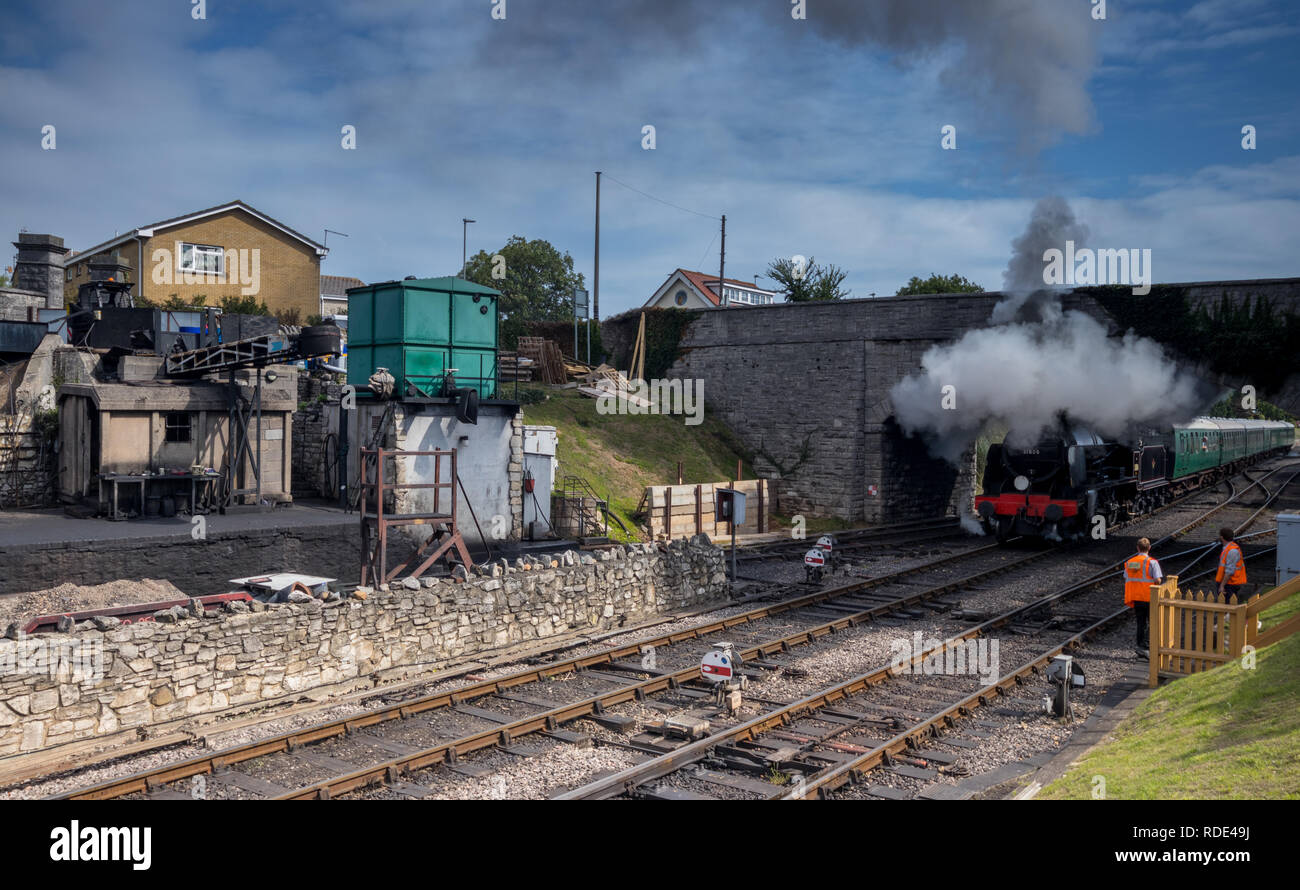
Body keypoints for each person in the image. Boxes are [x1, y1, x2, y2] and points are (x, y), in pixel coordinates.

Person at [1124, 537, 1162, 657]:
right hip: (1149, 596)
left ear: (1138, 548)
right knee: (1153, 622)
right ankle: (1144, 646)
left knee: (1141, 623)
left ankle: (1140, 646)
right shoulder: (1152, 562)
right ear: (1149, 548)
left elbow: (1126, 576)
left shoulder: (1131, 562)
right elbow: (1158, 579)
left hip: (1136, 597)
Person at [1216, 527, 1247, 600]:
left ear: (1222, 537)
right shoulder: (1228, 548)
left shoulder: (1232, 551)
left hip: (1230, 584)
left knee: (1228, 606)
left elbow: (1229, 571)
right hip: (1229, 583)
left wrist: (1222, 586)